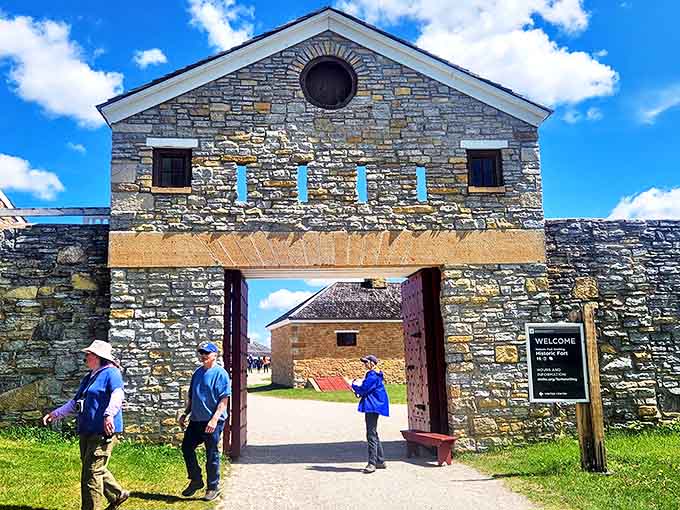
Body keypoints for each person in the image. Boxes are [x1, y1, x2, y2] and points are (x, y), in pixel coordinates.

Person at [42, 340, 129, 510]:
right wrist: (56, 414)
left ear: (97, 357)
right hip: (87, 429)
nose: (85, 357)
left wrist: (109, 415)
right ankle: (118, 494)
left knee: (91, 473)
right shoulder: (89, 377)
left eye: (88, 355)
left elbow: (118, 395)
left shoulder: (112, 373)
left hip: (102, 430)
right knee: (93, 467)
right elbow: (75, 402)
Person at [179, 341, 231, 501]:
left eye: (206, 353)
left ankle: (213, 487)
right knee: (187, 448)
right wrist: (185, 413)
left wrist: (214, 420)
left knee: (212, 454)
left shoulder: (220, 374)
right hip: (196, 420)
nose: (203, 355)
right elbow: (193, 397)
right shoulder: (197, 373)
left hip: (212, 421)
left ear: (215, 355)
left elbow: (224, 400)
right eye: (201, 352)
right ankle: (196, 480)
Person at [351, 354, 389, 474]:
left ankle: (372, 463)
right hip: (373, 405)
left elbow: (364, 389)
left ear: (372, 363)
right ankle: (380, 460)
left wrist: (353, 385)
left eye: (366, 362)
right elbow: (365, 389)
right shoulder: (373, 374)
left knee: (370, 434)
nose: (365, 365)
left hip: (373, 406)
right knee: (373, 433)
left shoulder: (373, 375)